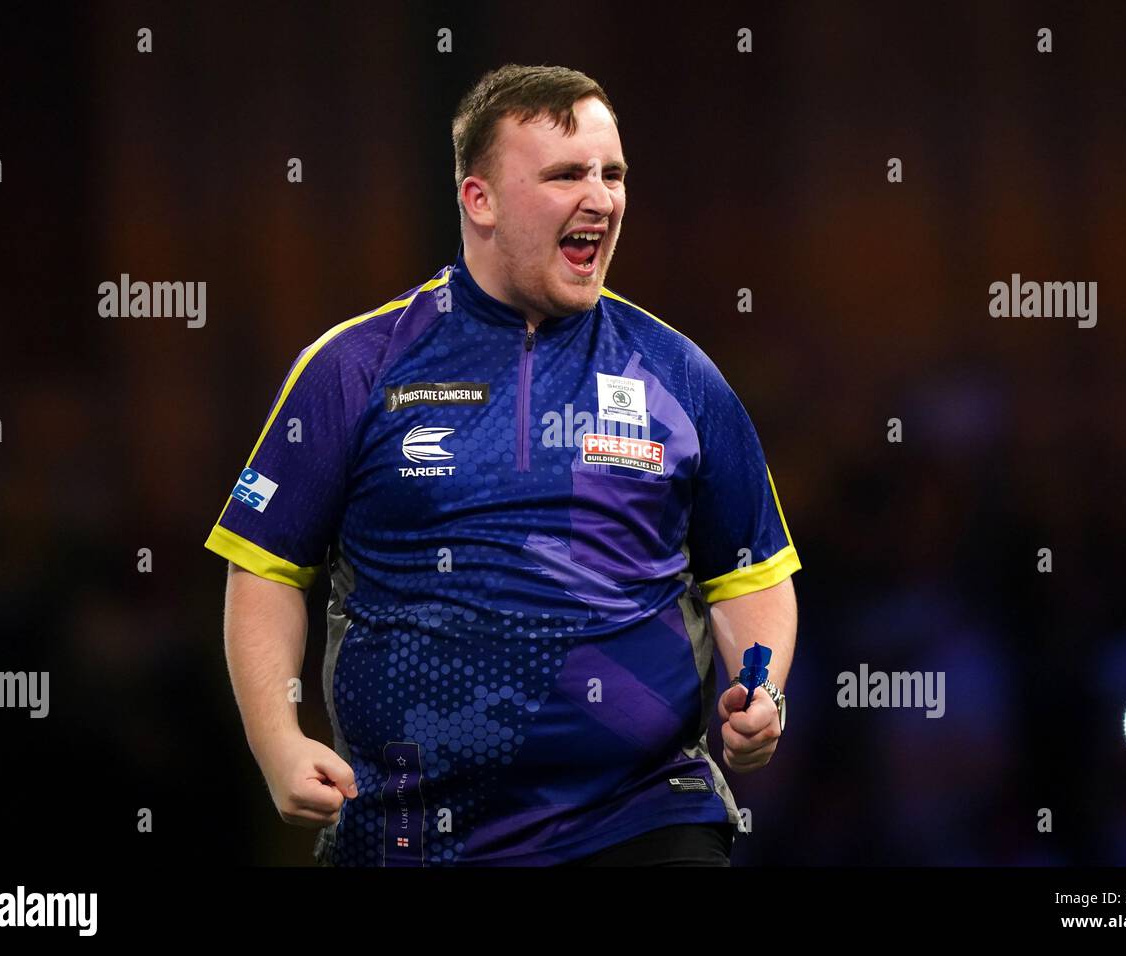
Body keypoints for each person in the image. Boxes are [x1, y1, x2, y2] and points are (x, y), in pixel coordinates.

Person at [204, 63, 800, 866]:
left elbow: (751, 571)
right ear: (478, 199)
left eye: (612, 173)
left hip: (644, 816)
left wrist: (760, 691)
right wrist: (276, 739)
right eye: (565, 175)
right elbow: (266, 567)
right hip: (410, 832)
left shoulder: (678, 372)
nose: (602, 198)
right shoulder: (353, 367)